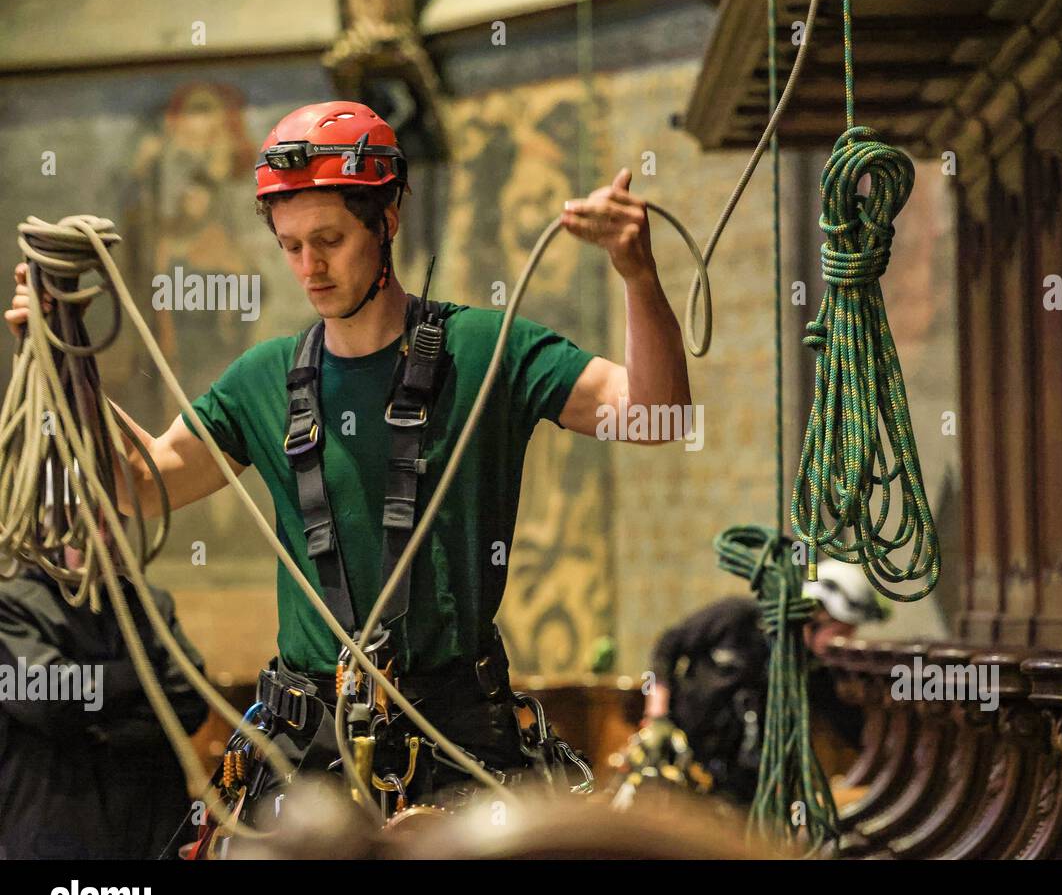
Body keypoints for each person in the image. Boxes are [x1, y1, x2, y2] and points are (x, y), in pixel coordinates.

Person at [6, 100, 692, 824]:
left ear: (387, 220)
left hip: (459, 740)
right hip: (307, 748)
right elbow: (141, 485)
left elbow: (659, 413)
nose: (310, 266)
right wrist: (66, 357)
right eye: (291, 245)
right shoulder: (262, 380)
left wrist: (637, 273)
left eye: (329, 239)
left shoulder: (489, 351)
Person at [0, 555, 208, 859]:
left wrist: (98, 727)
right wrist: (139, 673)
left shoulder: (150, 603)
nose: (101, 535)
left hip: (152, 828)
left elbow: (189, 701)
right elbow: (47, 698)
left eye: (112, 521)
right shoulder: (12, 605)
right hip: (52, 829)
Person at [641, 559, 891, 802]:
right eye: (843, 629)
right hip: (680, 757)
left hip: (739, 784)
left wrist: (894, 756)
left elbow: (852, 726)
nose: (847, 639)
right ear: (815, 614)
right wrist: (657, 716)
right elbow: (665, 649)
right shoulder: (736, 617)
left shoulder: (813, 671)